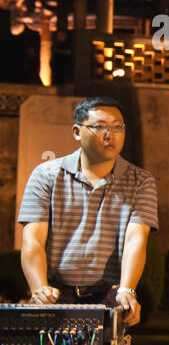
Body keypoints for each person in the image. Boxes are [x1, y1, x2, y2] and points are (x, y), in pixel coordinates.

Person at [19, 97, 157, 325]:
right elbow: (32, 240)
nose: (109, 134)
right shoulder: (46, 174)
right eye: (99, 126)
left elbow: (136, 240)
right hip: (55, 294)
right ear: (76, 131)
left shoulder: (141, 181)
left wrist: (127, 289)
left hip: (107, 296)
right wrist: (39, 288)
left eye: (117, 126)